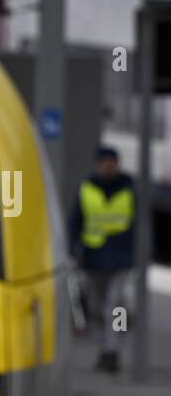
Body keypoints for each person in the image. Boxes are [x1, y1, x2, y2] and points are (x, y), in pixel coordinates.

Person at [70, 145, 136, 373]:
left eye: (112, 163)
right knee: (97, 307)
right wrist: (73, 249)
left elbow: (140, 224)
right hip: (94, 255)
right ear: (97, 164)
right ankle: (104, 348)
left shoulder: (129, 188)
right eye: (104, 163)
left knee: (115, 305)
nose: (108, 167)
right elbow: (75, 220)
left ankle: (114, 350)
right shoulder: (87, 188)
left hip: (120, 256)